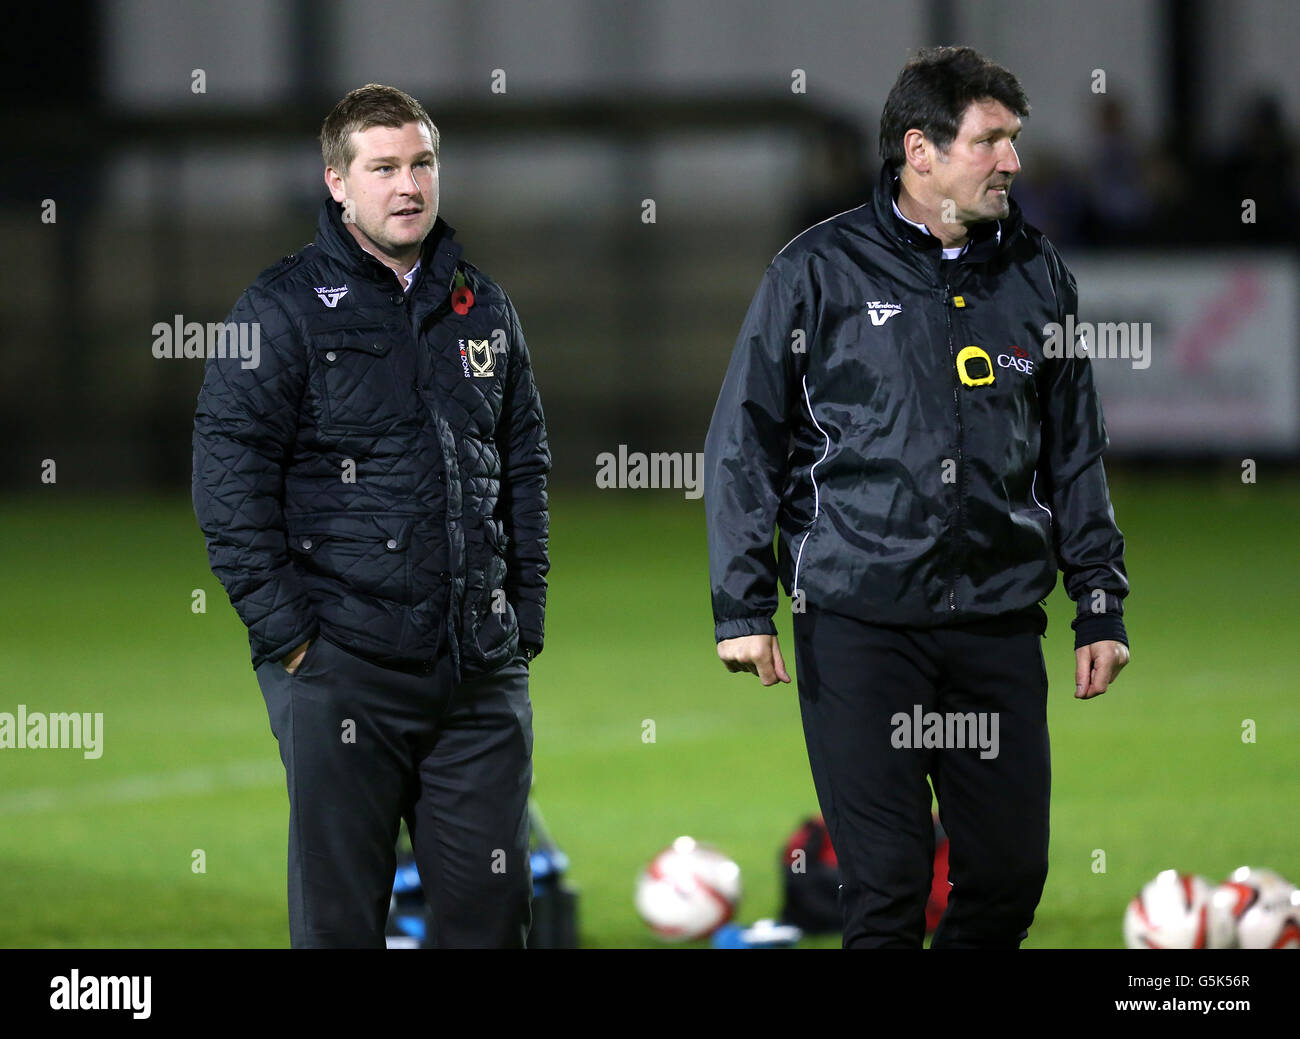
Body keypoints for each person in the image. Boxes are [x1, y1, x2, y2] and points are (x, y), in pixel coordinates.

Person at [704, 46, 1129, 949]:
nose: (1012, 161)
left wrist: (1099, 601)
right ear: (919, 151)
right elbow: (745, 439)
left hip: (998, 621)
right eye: (991, 141)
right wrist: (742, 602)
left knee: (1010, 877)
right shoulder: (815, 272)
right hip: (859, 623)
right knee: (888, 886)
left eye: (1013, 140)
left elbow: (1074, 451)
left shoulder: (1037, 275)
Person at [192, 83, 550, 948]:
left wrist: (522, 616)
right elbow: (226, 481)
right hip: (342, 666)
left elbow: (524, 463)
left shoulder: (483, 305)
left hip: (476, 674)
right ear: (337, 183)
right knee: (342, 923)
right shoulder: (279, 309)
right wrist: (297, 642)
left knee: (491, 919)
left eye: (422, 163)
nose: (408, 185)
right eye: (383, 167)